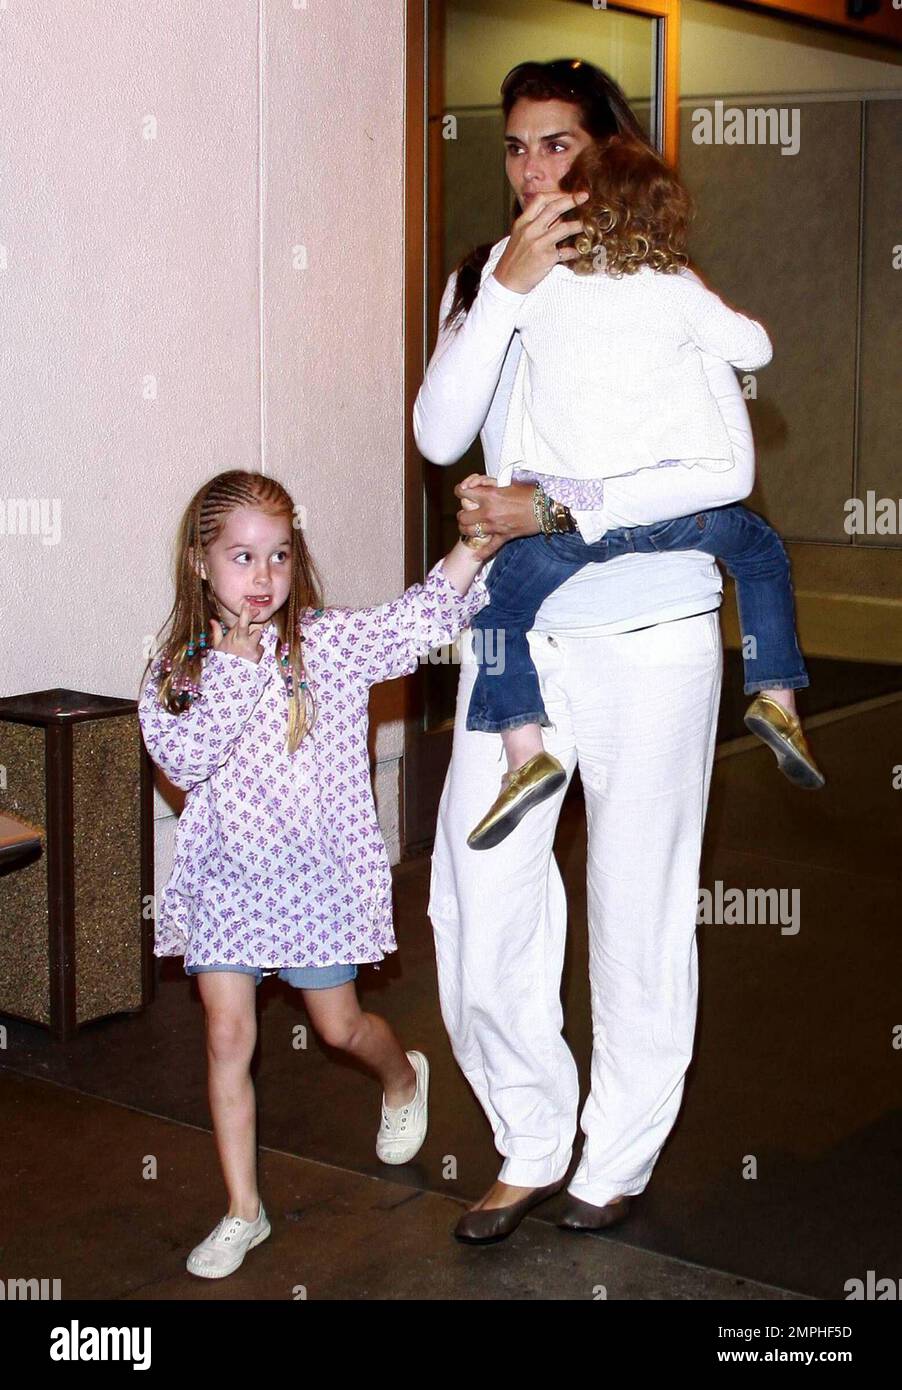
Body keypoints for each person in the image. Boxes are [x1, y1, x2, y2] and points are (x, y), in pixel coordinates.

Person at [413, 58, 775, 1243]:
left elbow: (723, 471)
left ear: (604, 150)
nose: (533, 168)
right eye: (515, 146)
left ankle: (612, 1153)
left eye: (556, 143)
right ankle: (526, 1133)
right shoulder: (487, 279)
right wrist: (506, 292)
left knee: (638, 902)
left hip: (655, 637)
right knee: (479, 897)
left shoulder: (659, 278)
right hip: (517, 638)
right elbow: (436, 428)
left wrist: (556, 505)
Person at [137, 468, 497, 1276]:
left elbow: (414, 622)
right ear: (200, 564)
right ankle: (243, 1209)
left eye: (278, 556)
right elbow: (186, 758)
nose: (261, 578)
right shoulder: (178, 669)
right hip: (229, 880)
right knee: (228, 1034)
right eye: (240, 557)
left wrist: (474, 547)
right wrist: (231, 666)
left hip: (315, 881)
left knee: (340, 1029)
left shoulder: (324, 646)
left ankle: (403, 1076)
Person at [462, 134, 823, 852]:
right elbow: (755, 349)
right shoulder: (676, 291)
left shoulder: (542, 296)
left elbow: (496, 355)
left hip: (563, 523)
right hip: (683, 520)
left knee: (499, 616)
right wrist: (692, 294)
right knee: (761, 555)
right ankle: (777, 695)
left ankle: (524, 751)